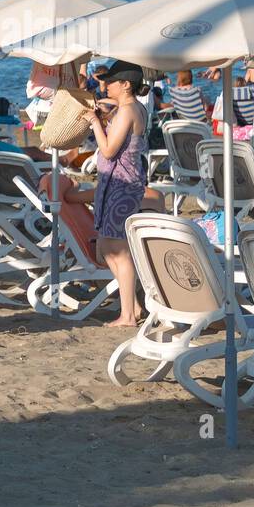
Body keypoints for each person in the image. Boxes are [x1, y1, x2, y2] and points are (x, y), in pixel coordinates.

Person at [83, 60, 150, 327]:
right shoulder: (132, 108)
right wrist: (103, 115)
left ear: (125, 84)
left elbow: (109, 150)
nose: (105, 84)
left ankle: (128, 315)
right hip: (120, 184)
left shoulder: (127, 110)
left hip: (122, 186)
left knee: (119, 250)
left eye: (110, 81)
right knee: (109, 246)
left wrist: (93, 123)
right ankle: (131, 305)